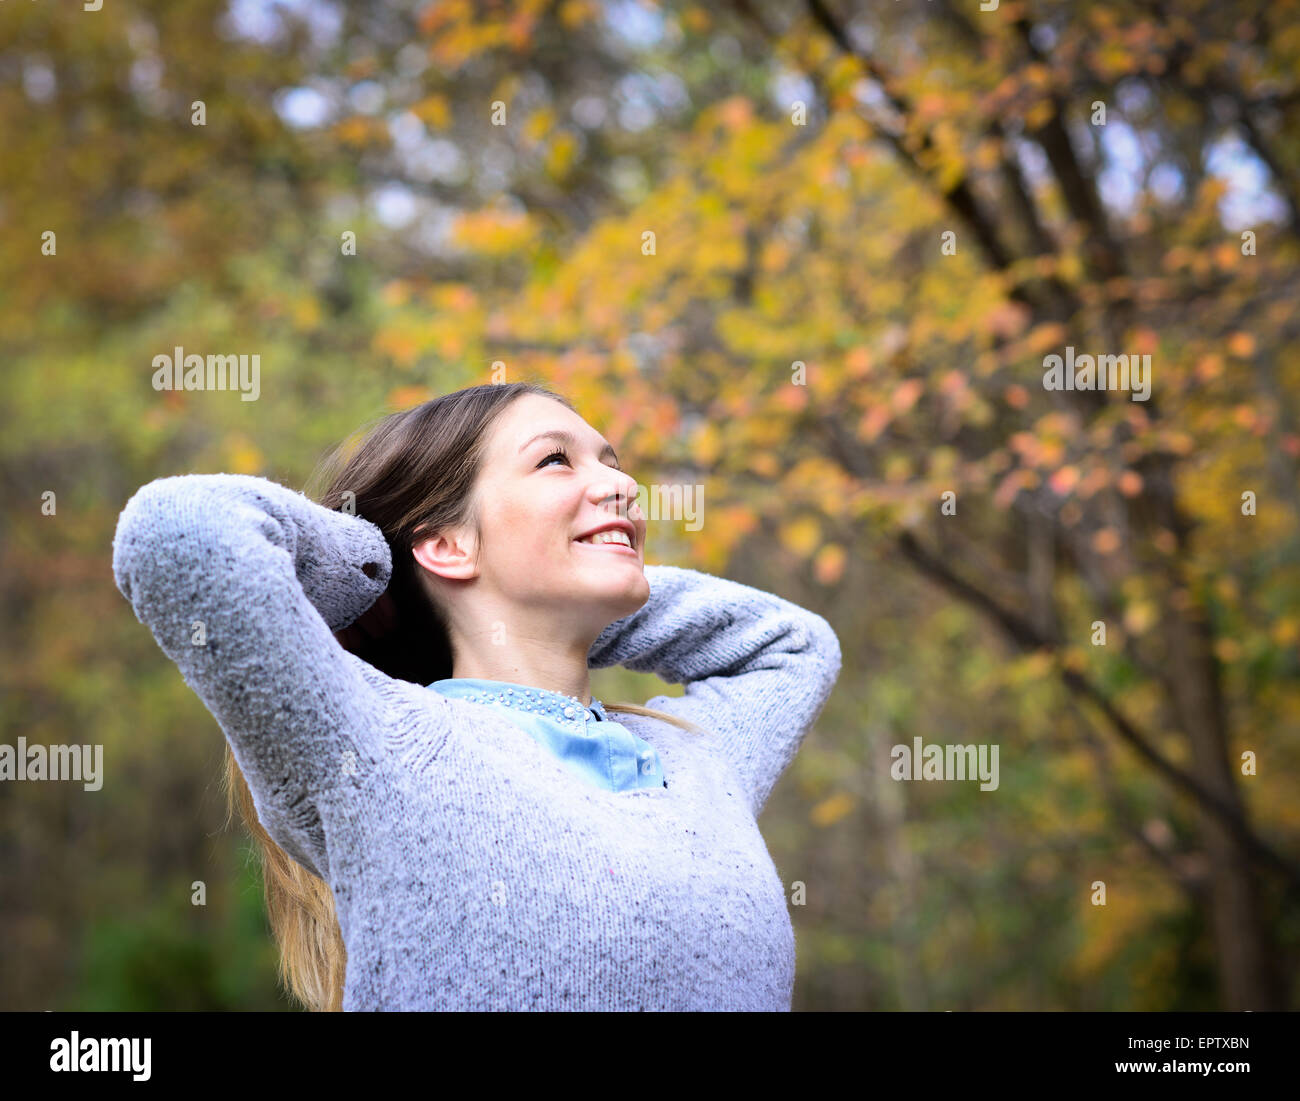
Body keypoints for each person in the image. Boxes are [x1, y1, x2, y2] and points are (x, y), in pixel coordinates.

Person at [110, 380, 842, 1010]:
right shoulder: (376, 742)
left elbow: (794, 645)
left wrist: (592, 601)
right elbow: (176, 535)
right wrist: (376, 566)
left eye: (612, 463)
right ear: (446, 545)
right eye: (556, 459)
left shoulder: (692, 762)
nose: (621, 485)